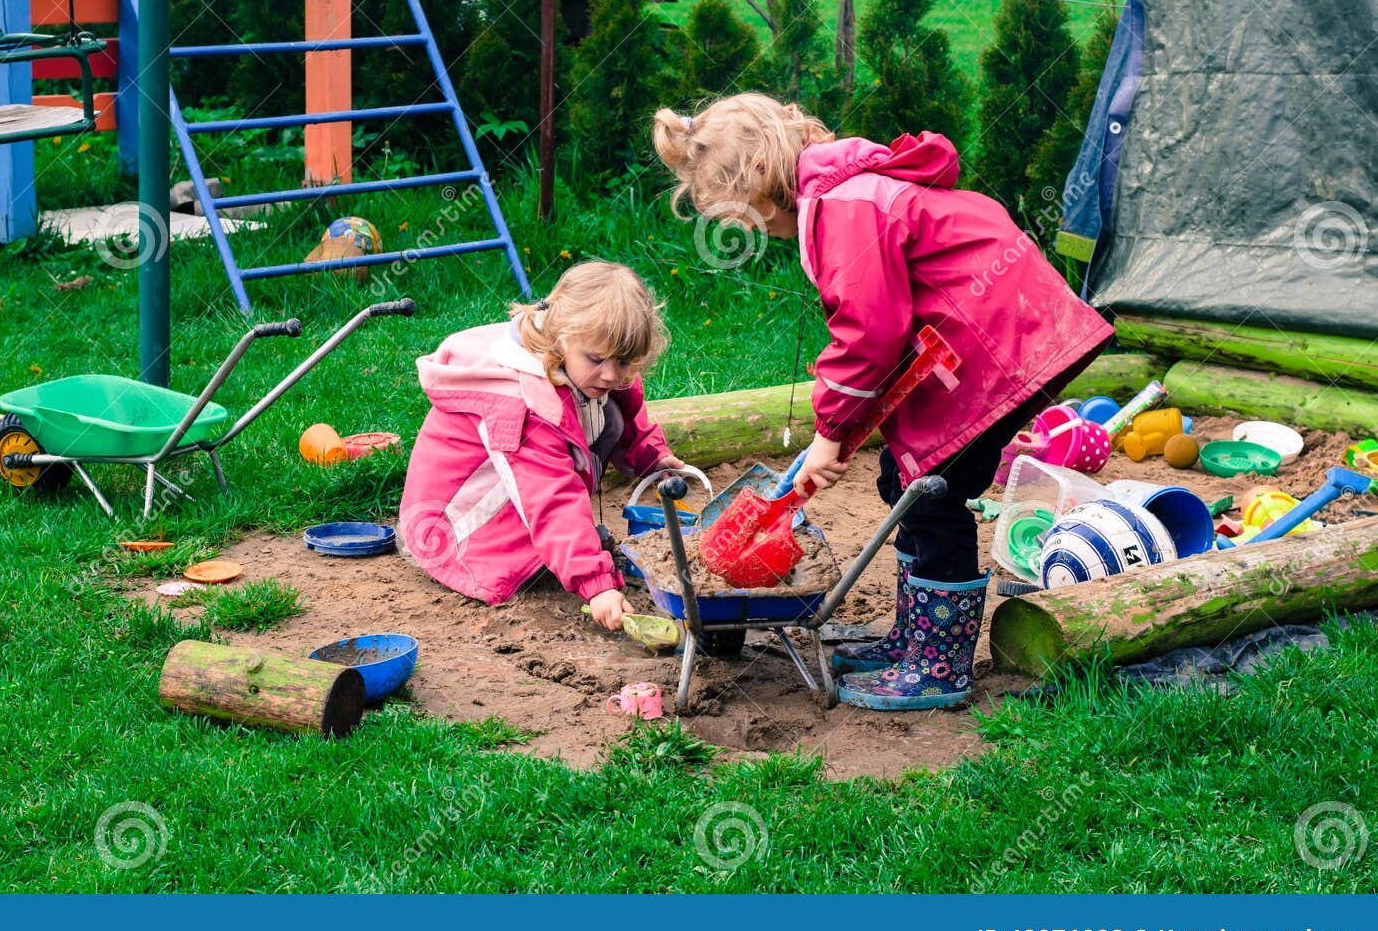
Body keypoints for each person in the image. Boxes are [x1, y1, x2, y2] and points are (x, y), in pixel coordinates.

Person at [653, 93, 1113, 709]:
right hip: (990, 334)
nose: (745, 230)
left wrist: (829, 431)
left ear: (758, 181)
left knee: (933, 493)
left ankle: (940, 666)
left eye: (739, 215)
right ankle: (914, 637)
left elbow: (869, 333)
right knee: (903, 481)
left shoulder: (842, 208)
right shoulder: (842, 191)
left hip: (1000, 340)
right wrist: (846, 428)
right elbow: (884, 335)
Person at [399, 261, 684, 631]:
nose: (613, 374)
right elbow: (552, 495)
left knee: (611, 403)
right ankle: (537, 554)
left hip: (522, 490)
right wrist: (595, 582)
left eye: (626, 361)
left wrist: (650, 455)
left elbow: (627, 404)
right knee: (554, 501)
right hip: (453, 531)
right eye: (598, 360)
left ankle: (563, 549)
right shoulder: (524, 404)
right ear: (560, 336)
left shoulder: (586, 363)